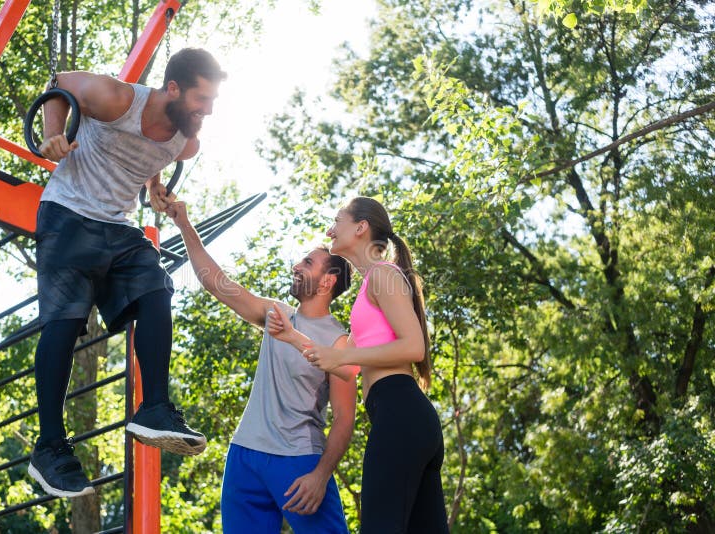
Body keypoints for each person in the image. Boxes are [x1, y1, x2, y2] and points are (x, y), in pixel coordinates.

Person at [27, 48, 227, 498]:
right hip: (67, 213)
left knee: (157, 287)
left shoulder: (187, 141)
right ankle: (50, 447)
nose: (208, 111)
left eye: (213, 101)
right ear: (172, 88)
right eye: (202, 99)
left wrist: (155, 189)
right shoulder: (118, 99)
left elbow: (149, 159)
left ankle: (154, 407)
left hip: (117, 227)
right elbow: (58, 81)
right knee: (64, 323)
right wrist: (53, 134)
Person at [165, 199, 358, 533]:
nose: (297, 265)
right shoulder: (276, 314)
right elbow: (217, 282)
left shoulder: (340, 342)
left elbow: (345, 418)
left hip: (299, 462)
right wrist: (183, 222)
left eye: (308, 262)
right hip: (245, 456)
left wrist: (320, 475)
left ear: (328, 281)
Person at [266, 197, 449, 533]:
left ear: (361, 228)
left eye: (337, 221)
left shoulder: (383, 274)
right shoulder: (369, 289)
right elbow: (345, 368)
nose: (330, 229)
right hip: (401, 418)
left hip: (400, 414)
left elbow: (413, 346)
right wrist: (293, 337)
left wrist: (344, 355)